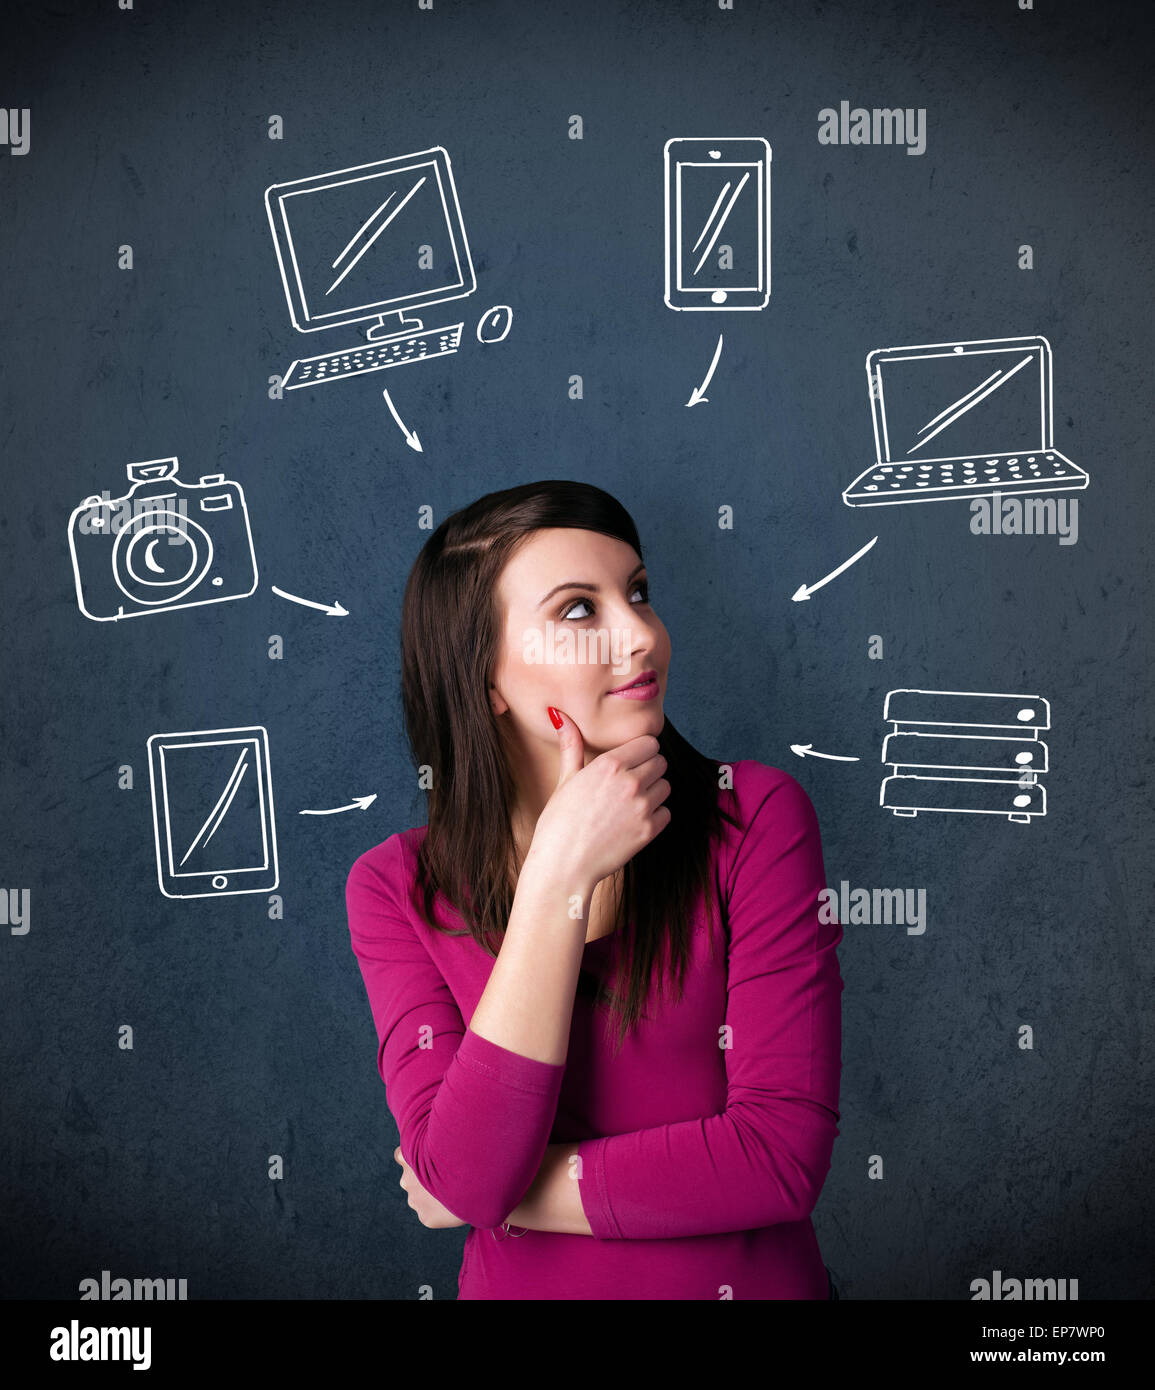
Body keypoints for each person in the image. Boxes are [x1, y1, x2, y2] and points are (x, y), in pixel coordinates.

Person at [345, 479, 844, 1299]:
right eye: (579, 610)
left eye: (638, 593)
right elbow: (463, 1173)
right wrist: (555, 878)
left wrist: (499, 1192)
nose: (641, 635)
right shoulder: (395, 888)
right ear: (485, 683)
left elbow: (778, 1158)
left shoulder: (754, 817)